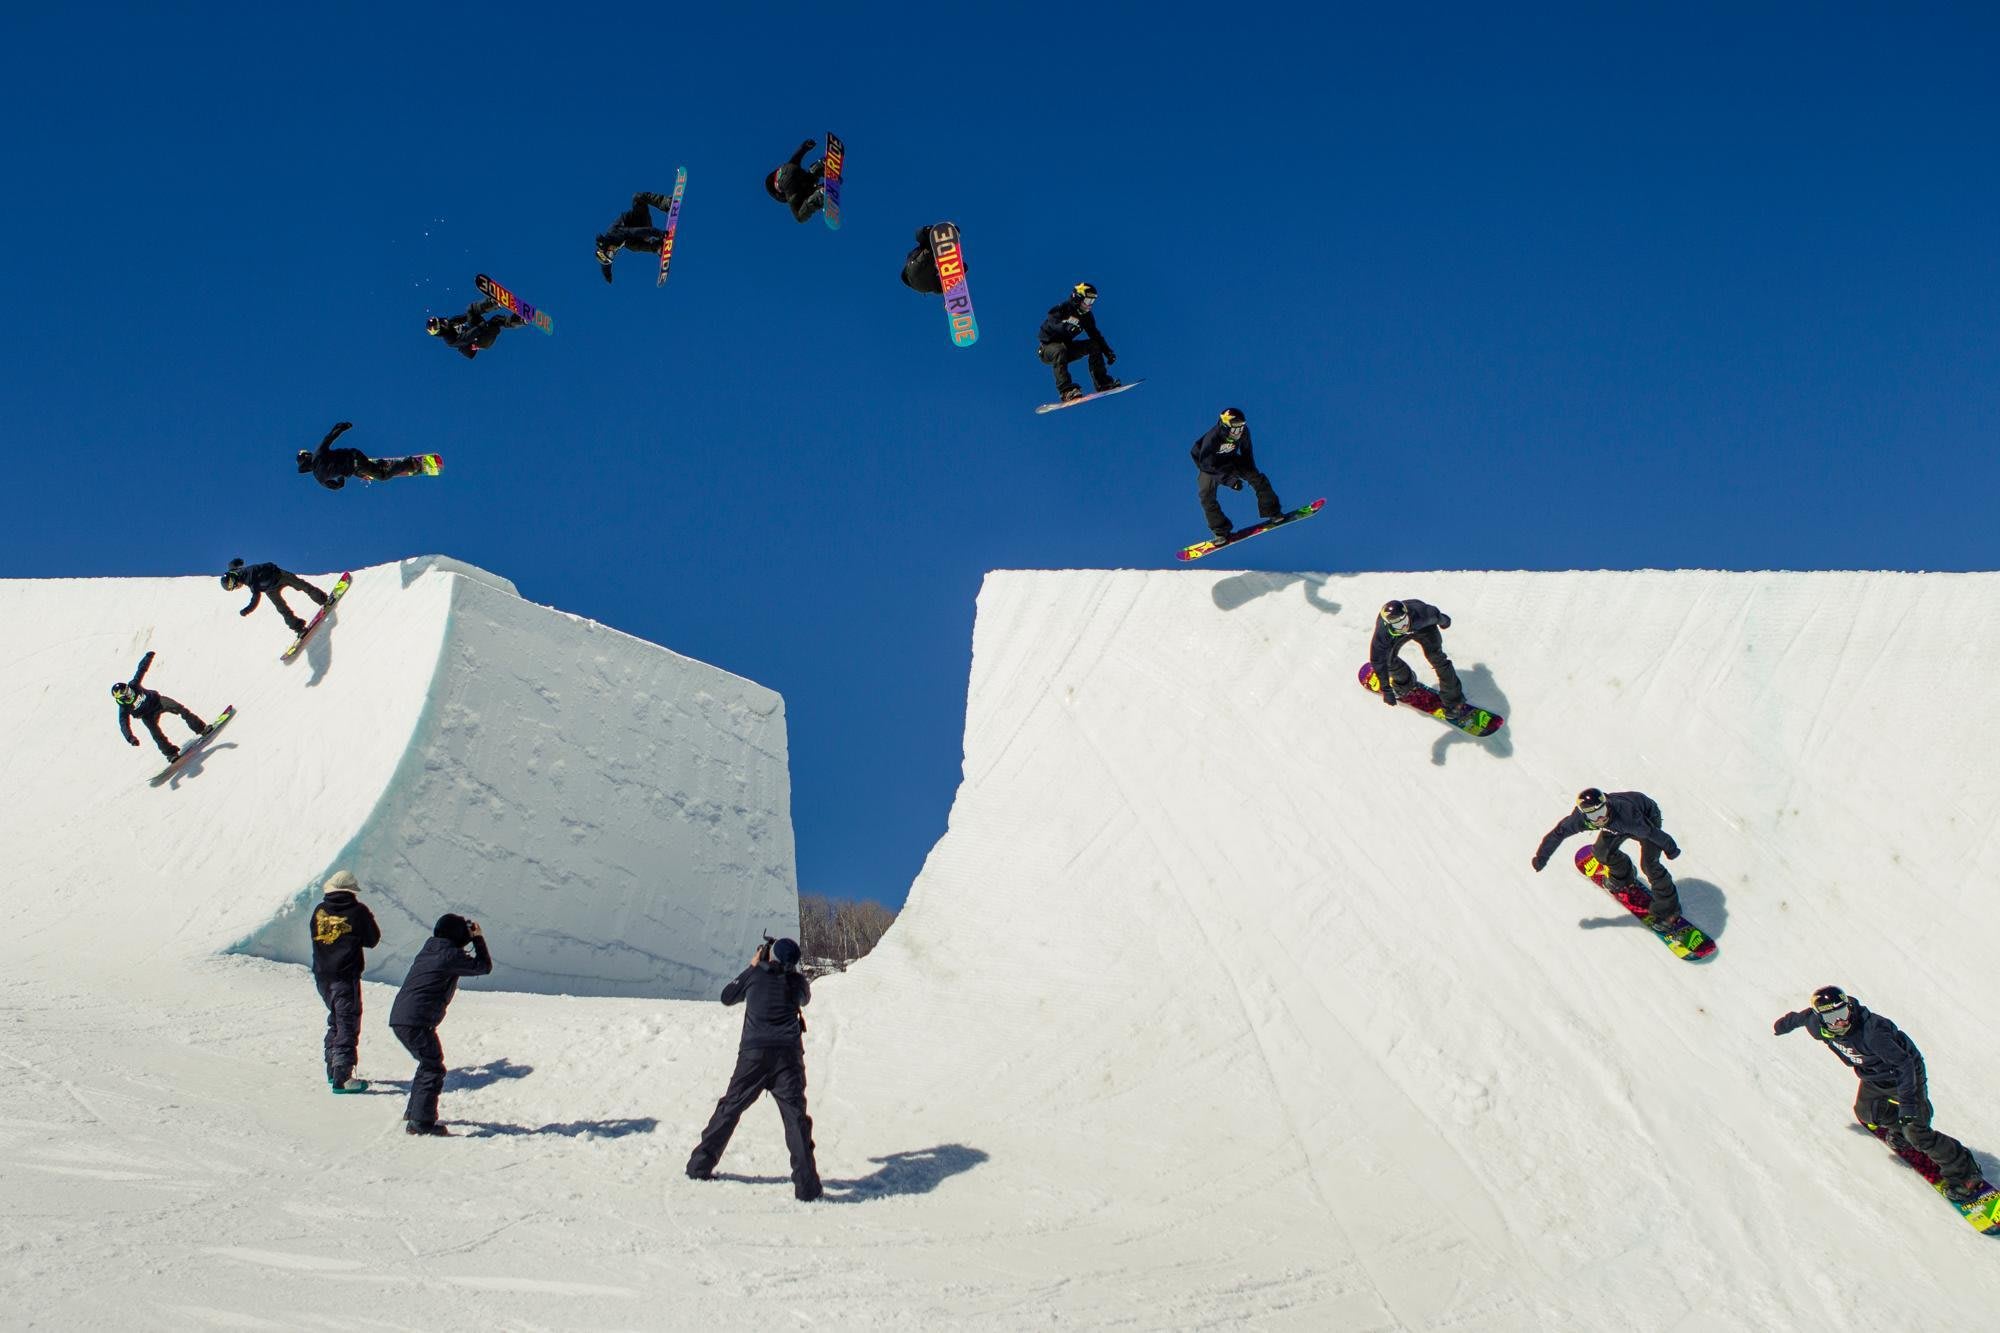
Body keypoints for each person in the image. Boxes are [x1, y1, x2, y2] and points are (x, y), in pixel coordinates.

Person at [1773, 986, 1985, 1203]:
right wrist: (1783, 1025)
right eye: (1833, 1017)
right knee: (1866, 1113)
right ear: (1821, 1018)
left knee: (1917, 1132)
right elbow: (1801, 1017)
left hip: (1905, 1076)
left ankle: (1966, 1173)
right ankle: (1902, 1131)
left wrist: (1908, 1107)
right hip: (1874, 1077)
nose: (1840, 1022)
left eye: (1843, 1013)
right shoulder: (1816, 1025)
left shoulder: (1873, 1033)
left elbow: (1905, 1066)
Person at [685, 936, 822, 1201]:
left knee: (731, 1107)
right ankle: (807, 1188)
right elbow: (804, 999)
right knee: (795, 1119)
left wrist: (753, 967)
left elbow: (727, 997)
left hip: (754, 1056)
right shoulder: (797, 983)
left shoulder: (754, 976)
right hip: (788, 1059)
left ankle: (699, 1165)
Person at [388, 913, 493, 1137]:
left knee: (428, 1063)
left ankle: (415, 1112)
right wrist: (477, 938)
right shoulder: (448, 955)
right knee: (433, 1066)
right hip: (416, 1021)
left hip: (404, 1017)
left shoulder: (432, 949)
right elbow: (483, 966)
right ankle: (420, 1122)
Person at [1531, 788, 1683, 930]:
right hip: (1617, 825)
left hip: (1646, 818)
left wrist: (1671, 849)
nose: (1599, 818)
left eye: (1602, 811)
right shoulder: (1580, 820)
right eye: (1593, 815)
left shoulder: (1626, 816)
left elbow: (1652, 833)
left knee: (1650, 865)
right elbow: (1558, 833)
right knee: (1601, 852)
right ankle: (1623, 877)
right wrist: (1541, 857)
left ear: (1606, 805)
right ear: (1583, 814)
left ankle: (1669, 910)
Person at [311, 870, 381, 1093]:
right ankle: (343, 1076)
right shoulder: (358, 911)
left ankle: (332, 1068)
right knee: (347, 1021)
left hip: (323, 975)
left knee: (336, 1018)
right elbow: (372, 940)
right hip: (345, 975)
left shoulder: (319, 910)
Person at [1191, 408, 1282, 541]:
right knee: (1206, 495)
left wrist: (1251, 473)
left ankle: (1273, 512)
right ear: (1225, 427)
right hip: (1210, 468)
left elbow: (1247, 452)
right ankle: (1221, 531)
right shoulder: (1213, 438)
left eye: (1241, 428)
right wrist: (1230, 481)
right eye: (1234, 429)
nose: (1238, 432)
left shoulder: (1244, 432)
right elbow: (1206, 464)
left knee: (1258, 478)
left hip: (1230, 460)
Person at [1371, 599, 1466, 713]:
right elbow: (1377, 660)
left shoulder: (1422, 614)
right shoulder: (1383, 631)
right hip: (1396, 636)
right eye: (1397, 624)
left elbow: (1436, 615)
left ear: (1407, 614)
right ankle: (1405, 684)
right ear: (1388, 623)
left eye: (1403, 621)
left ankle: (1454, 701)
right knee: (1388, 661)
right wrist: (1386, 690)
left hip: (1423, 628)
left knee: (1437, 658)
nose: (1403, 627)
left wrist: (1445, 622)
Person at [111, 651, 209, 762]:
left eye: (128, 690)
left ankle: (202, 728)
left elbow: (140, 670)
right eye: (127, 693)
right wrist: (130, 738)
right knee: (156, 734)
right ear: (122, 698)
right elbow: (123, 724)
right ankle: (170, 754)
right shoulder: (124, 708)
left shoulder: (133, 685)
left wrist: (147, 657)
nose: (130, 693)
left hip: (158, 702)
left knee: (180, 709)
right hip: (147, 716)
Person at [1037, 282, 1119, 403]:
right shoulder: (1063, 308)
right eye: (1087, 301)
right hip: (1047, 349)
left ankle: (1103, 382)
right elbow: (1051, 323)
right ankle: (1066, 391)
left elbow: (1095, 335)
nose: (1089, 305)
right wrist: (1064, 328)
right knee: (1059, 349)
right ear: (1078, 298)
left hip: (1067, 349)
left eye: (1092, 302)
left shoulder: (1086, 317)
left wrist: (1107, 351)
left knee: (1094, 345)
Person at [295, 422, 428, 490]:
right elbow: (329, 437)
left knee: (383, 476)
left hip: (354, 464)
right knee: (367, 470)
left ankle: (411, 463)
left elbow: (336, 486)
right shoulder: (318, 453)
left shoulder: (319, 478)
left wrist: (341, 477)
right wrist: (342, 427)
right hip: (354, 459)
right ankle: (380, 465)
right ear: (308, 456)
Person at [222, 558, 328, 638]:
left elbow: (256, 597)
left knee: (302, 586)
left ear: (235, 580)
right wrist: (238, 561)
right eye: (232, 588)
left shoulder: (249, 576)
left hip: (279, 575)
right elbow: (232, 565)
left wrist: (246, 610)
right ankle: (299, 628)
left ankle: (323, 600)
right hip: (269, 588)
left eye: (233, 586)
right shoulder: (234, 572)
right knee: (282, 608)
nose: (235, 588)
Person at [595, 190, 674, 282]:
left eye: (610, 253)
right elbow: (605, 264)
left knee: (637, 197)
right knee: (630, 245)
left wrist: (657, 233)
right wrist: (607, 276)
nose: (613, 252)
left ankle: (666, 203)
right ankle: (657, 247)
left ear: (606, 247)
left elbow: (635, 232)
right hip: (638, 235)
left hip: (641, 224)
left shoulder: (615, 234)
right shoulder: (606, 251)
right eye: (612, 256)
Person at [425, 297, 523, 359]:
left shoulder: (451, 322)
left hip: (481, 335)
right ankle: (494, 304)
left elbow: (467, 316)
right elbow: (467, 337)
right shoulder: (449, 339)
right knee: (472, 311)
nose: (441, 326)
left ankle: (519, 320)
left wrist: (480, 314)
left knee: (495, 320)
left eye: (437, 325)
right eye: (434, 330)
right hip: (479, 340)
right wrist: (480, 327)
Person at [763, 139, 826, 224]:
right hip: (790, 168)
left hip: (786, 181)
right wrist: (804, 147)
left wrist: (819, 194)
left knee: (799, 216)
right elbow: (794, 161)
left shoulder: (779, 193)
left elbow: (792, 197)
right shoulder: (781, 173)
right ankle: (820, 166)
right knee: (808, 183)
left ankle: (819, 195)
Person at [900, 225, 943, 295]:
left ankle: (954, 273)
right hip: (916, 269)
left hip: (923, 286)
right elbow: (919, 237)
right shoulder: (910, 264)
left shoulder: (920, 288)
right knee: (926, 249)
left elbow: (937, 289)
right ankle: (929, 232)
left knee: (937, 284)